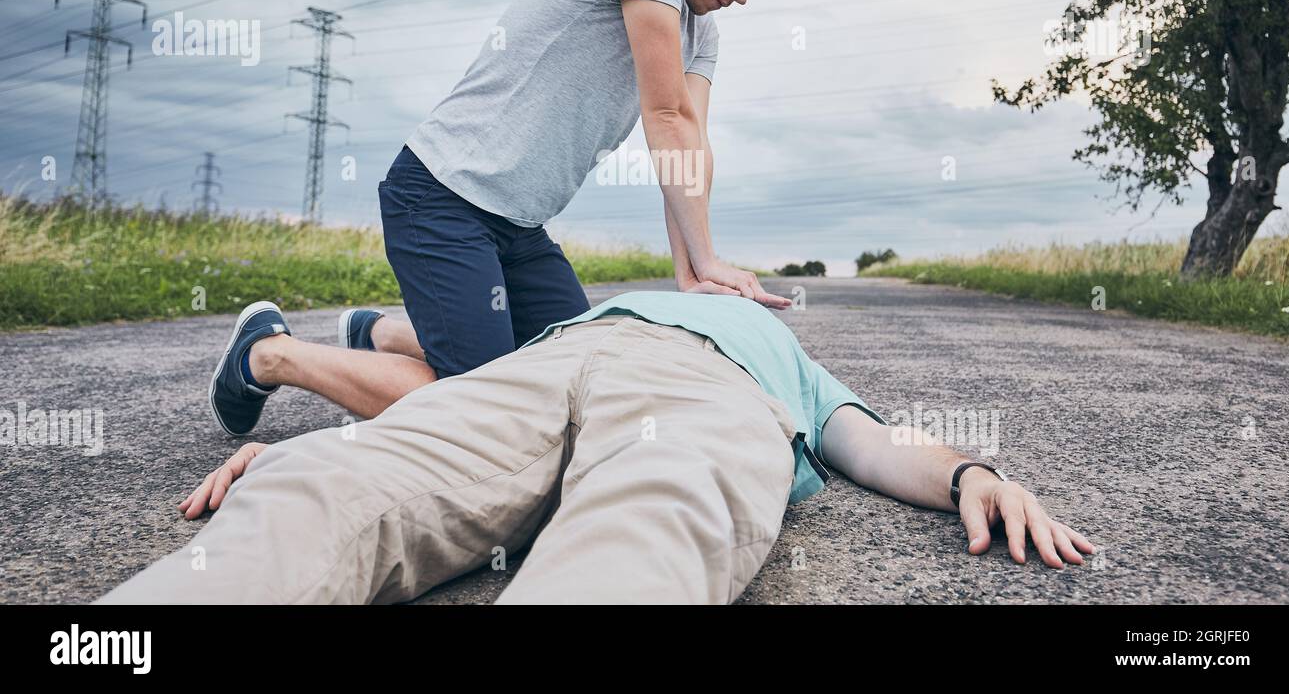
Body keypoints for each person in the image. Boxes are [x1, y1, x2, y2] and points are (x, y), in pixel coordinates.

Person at [209, 0, 803, 439]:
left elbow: (689, 143)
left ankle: (380, 335)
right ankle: (267, 354)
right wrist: (707, 259)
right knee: (492, 411)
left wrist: (692, 276)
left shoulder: (702, 34)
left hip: (518, 229)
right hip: (442, 196)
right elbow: (666, 117)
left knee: (574, 376)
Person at [112, 292, 1094, 605]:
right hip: (555, 363)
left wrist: (973, 471)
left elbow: (878, 446)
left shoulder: (788, 358)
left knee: (654, 514)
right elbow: (458, 405)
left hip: (709, 394)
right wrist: (354, 439)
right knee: (329, 484)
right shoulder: (621, 293)